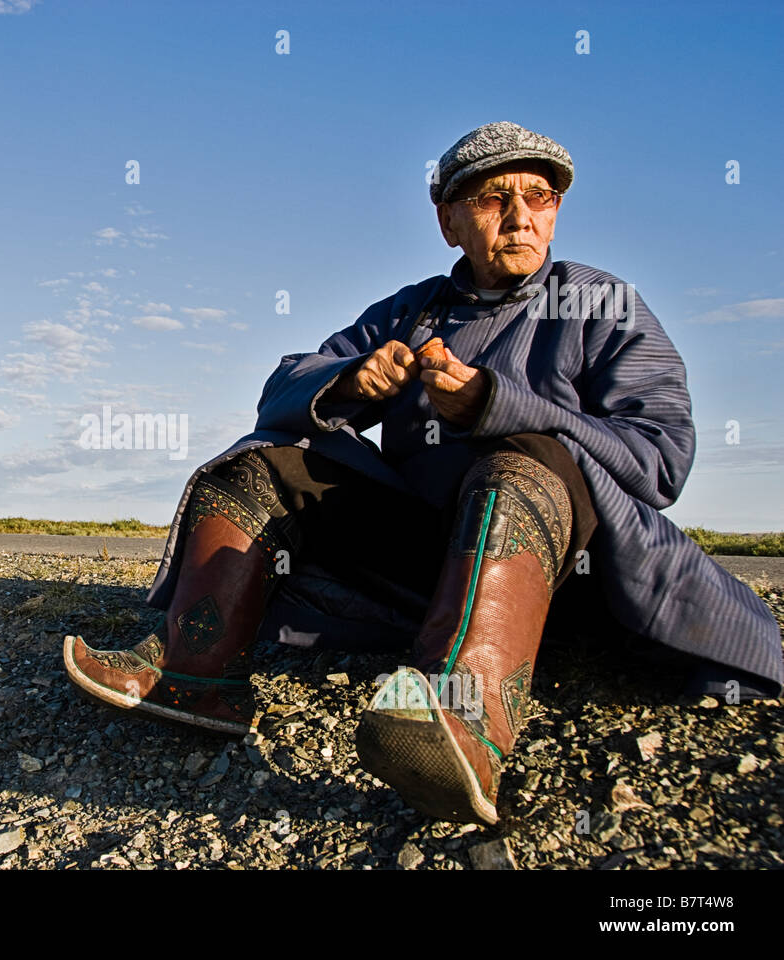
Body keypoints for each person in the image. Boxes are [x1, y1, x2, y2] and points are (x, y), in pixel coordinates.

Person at [64, 121, 784, 827]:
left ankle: (465, 720)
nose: (521, 217)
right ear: (448, 221)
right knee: (265, 459)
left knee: (518, 463)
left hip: (580, 574)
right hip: (438, 569)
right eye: (493, 198)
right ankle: (196, 675)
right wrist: (351, 381)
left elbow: (661, 461)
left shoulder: (604, 305)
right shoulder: (414, 312)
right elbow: (284, 386)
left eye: (540, 197)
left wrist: (498, 406)